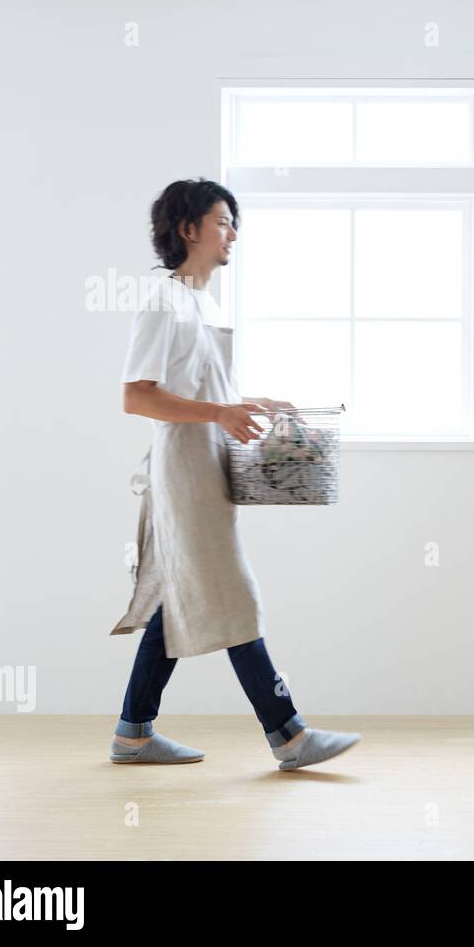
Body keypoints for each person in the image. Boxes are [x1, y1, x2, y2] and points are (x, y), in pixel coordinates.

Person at [108, 178, 360, 770]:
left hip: (209, 465)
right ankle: (288, 733)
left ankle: (133, 733)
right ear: (188, 229)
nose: (233, 235)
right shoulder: (161, 299)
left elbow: (202, 390)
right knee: (234, 596)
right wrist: (219, 412)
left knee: (179, 598)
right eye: (223, 222)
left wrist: (252, 403)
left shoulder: (204, 303)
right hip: (183, 469)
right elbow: (136, 397)